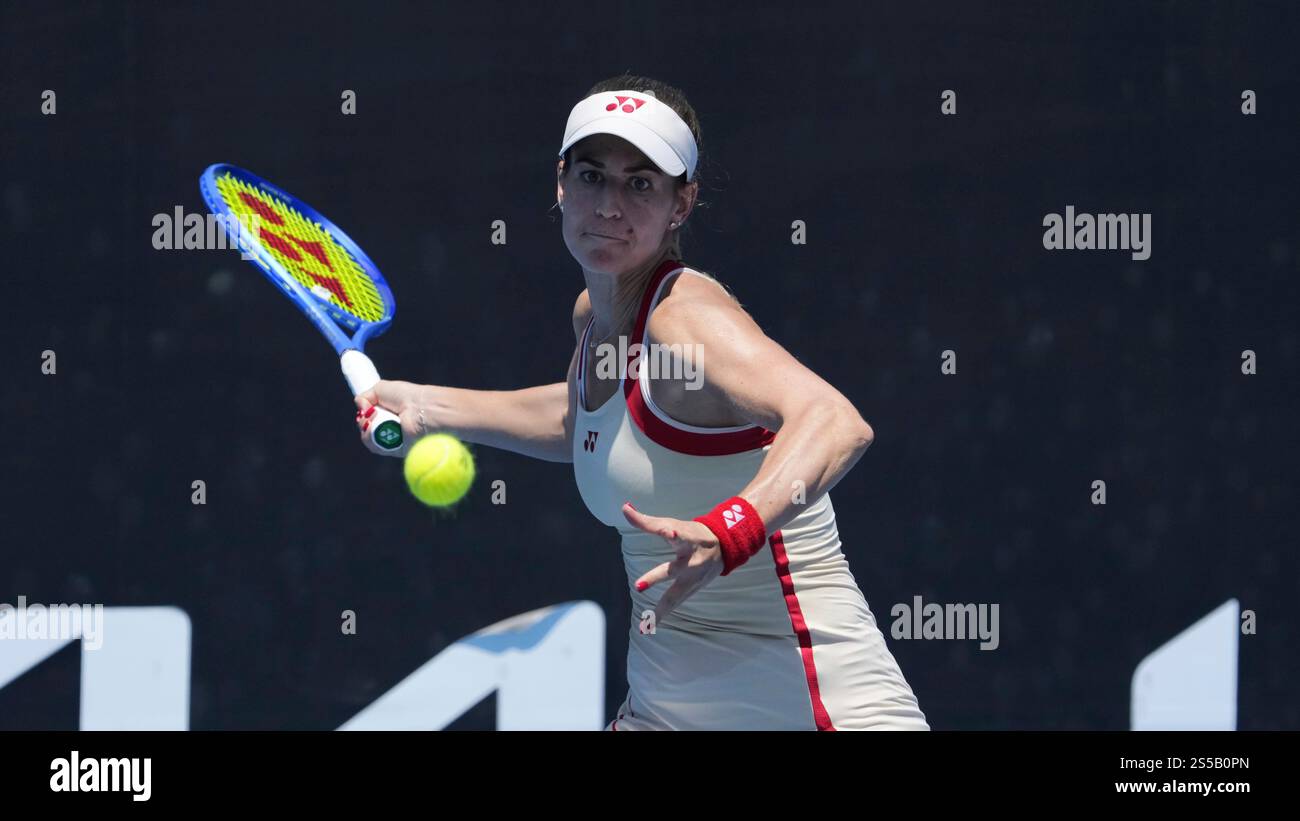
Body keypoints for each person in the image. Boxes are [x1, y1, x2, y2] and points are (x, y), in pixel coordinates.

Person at [354, 74, 928, 730]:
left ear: (682, 204)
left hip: (817, 705)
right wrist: (429, 407)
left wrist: (728, 530)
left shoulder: (685, 319)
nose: (609, 206)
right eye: (593, 176)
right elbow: (587, 423)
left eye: (641, 184)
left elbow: (834, 420)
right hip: (667, 708)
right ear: (561, 184)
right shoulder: (593, 320)